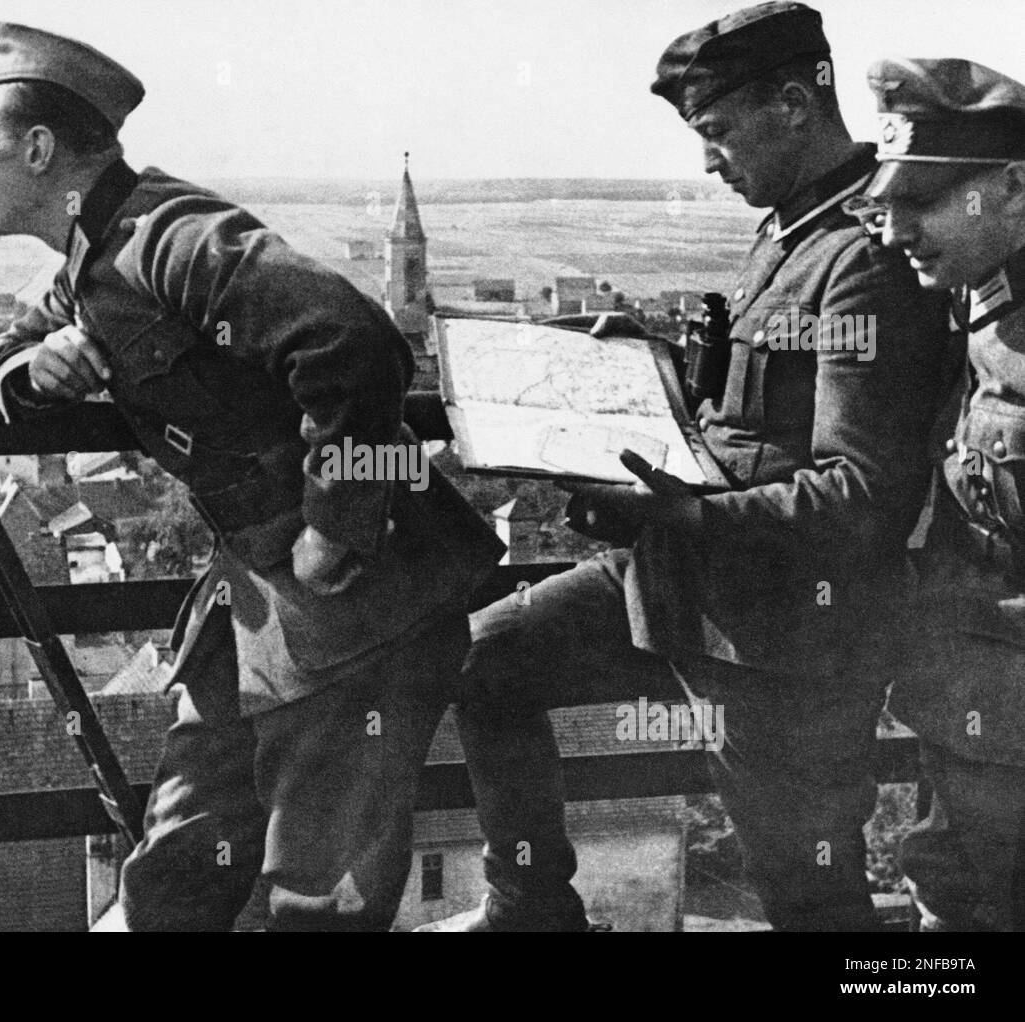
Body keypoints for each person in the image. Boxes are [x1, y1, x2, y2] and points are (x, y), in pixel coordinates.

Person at [0, 22, 504, 931]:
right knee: (179, 859)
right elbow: (13, 343)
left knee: (320, 896)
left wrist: (336, 528)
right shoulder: (97, 257)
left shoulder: (167, 237)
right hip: (252, 600)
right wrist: (29, 369)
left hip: (362, 603)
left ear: (39, 149)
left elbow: (352, 340)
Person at [421, 2, 953, 931]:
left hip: (790, 631)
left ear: (793, 103)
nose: (708, 159)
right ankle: (529, 906)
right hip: (685, 575)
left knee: (807, 893)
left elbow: (861, 494)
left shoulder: (865, 258)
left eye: (717, 131)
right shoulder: (792, 227)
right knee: (483, 661)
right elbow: (754, 416)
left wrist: (671, 516)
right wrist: (647, 365)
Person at [865, 56, 1025, 932]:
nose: (893, 234)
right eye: (883, 207)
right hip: (972, 718)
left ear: (1010, 188)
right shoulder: (982, 309)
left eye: (918, 204)